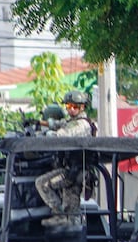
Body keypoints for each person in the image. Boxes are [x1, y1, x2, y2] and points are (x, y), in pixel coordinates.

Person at [35, 90, 96, 227]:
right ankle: (70, 225)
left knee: (42, 184)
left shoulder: (81, 125)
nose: (71, 109)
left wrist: (44, 135)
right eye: (68, 106)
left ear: (82, 107)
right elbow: (59, 124)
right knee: (71, 210)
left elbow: (60, 135)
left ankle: (59, 215)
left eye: (75, 107)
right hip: (71, 170)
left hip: (75, 171)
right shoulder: (72, 122)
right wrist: (39, 123)